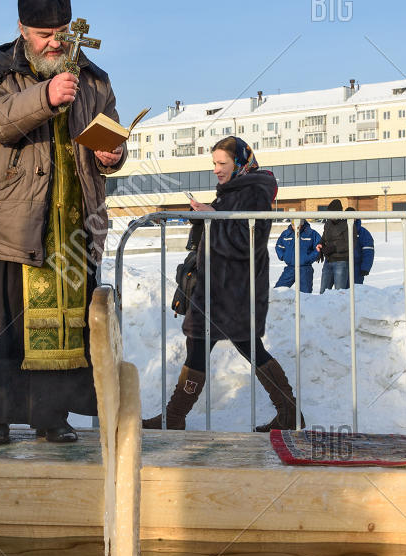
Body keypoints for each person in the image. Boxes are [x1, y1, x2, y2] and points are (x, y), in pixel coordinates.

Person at [0, 0, 126, 446]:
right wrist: (45, 96)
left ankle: (51, 416)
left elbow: (110, 134)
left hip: (74, 225)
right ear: (21, 29)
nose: (55, 42)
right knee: (6, 328)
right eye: (44, 34)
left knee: (67, 327)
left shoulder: (94, 80)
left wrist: (112, 155)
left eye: (61, 32)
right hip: (17, 223)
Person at [144, 136, 302, 432]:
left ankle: (288, 412)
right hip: (219, 288)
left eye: (222, 163)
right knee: (205, 346)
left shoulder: (254, 192)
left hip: (235, 289)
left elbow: (249, 241)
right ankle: (175, 417)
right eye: (214, 164)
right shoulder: (236, 189)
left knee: (246, 348)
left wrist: (214, 218)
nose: (216, 170)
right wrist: (205, 217)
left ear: (240, 162)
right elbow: (228, 225)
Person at [274, 218, 320, 292]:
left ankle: (304, 304)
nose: (296, 227)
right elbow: (279, 246)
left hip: (305, 269)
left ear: (302, 223)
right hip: (290, 268)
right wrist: (284, 256)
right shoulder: (286, 233)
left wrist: (308, 258)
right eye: (293, 225)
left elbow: (318, 248)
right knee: (278, 290)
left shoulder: (311, 233)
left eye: (299, 225)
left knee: (305, 295)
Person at [317, 199, 352, 292]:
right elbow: (324, 237)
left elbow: (351, 243)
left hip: (341, 262)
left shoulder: (347, 224)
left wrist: (334, 248)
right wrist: (320, 245)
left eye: (333, 213)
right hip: (328, 262)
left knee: (339, 292)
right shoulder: (328, 223)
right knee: (323, 292)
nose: (331, 216)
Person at [347, 208, 376, 284]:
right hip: (342, 266)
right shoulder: (340, 230)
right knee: (341, 293)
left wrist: (365, 267)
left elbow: (368, 250)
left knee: (356, 291)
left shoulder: (363, 232)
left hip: (357, 268)